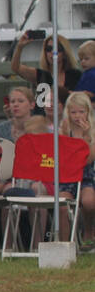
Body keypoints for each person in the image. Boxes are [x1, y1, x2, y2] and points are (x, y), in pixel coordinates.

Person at [57, 90, 95, 244]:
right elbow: (63, 158)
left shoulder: (92, 133)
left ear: (88, 112)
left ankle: (88, 231)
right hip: (67, 178)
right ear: (67, 112)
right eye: (73, 112)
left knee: (89, 202)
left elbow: (87, 160)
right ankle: (66, 243)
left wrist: (86, 137)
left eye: (81, 112)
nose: (77, 116)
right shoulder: (63, 131)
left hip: (86, 178)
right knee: (63, 205)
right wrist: (66, 136)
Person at [11, 32, 81, 107]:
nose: (52, 52)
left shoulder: (75, 75)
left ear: (65, 53)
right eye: (48, 49)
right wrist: (19, 47)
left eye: (58, 49)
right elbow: (16, 68)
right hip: (42, 116)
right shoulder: (41, 74)